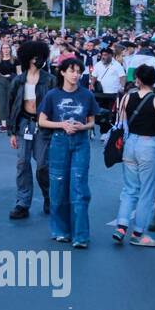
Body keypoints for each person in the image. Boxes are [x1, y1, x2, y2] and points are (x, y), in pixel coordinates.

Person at [39, 57, 100, 248]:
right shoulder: (52, 95)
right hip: (59, 141)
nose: (75, 75)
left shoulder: (87, 95)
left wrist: (83, 126)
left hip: (81, 142)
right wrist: (62, 124)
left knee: (80, 188)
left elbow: (92, 122)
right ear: (63, 72)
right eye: (72, 71)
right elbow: (41, 121)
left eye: (78, 71)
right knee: (58, 186)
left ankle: (81, 235)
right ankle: (61, 231)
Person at [113, 64, 155, 247]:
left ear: (138, 80)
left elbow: (121, 122)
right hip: (149, 145)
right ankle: (138, 233)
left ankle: (121, 226)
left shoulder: (127, 97)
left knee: (129, 189)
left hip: (130, 143)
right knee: (147, 191)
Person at [7, 40, 55, 219]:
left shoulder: (50, 80)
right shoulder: (19, 81)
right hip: (24, 125)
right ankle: (22, 203)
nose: (39, 60)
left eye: (41, 57)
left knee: (43, 165)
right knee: (22, 164)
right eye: (35, 57)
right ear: (28, 58)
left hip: (43, 126)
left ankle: (49, 197)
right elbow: (11, 105)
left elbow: (54, 105)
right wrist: (11, 132)